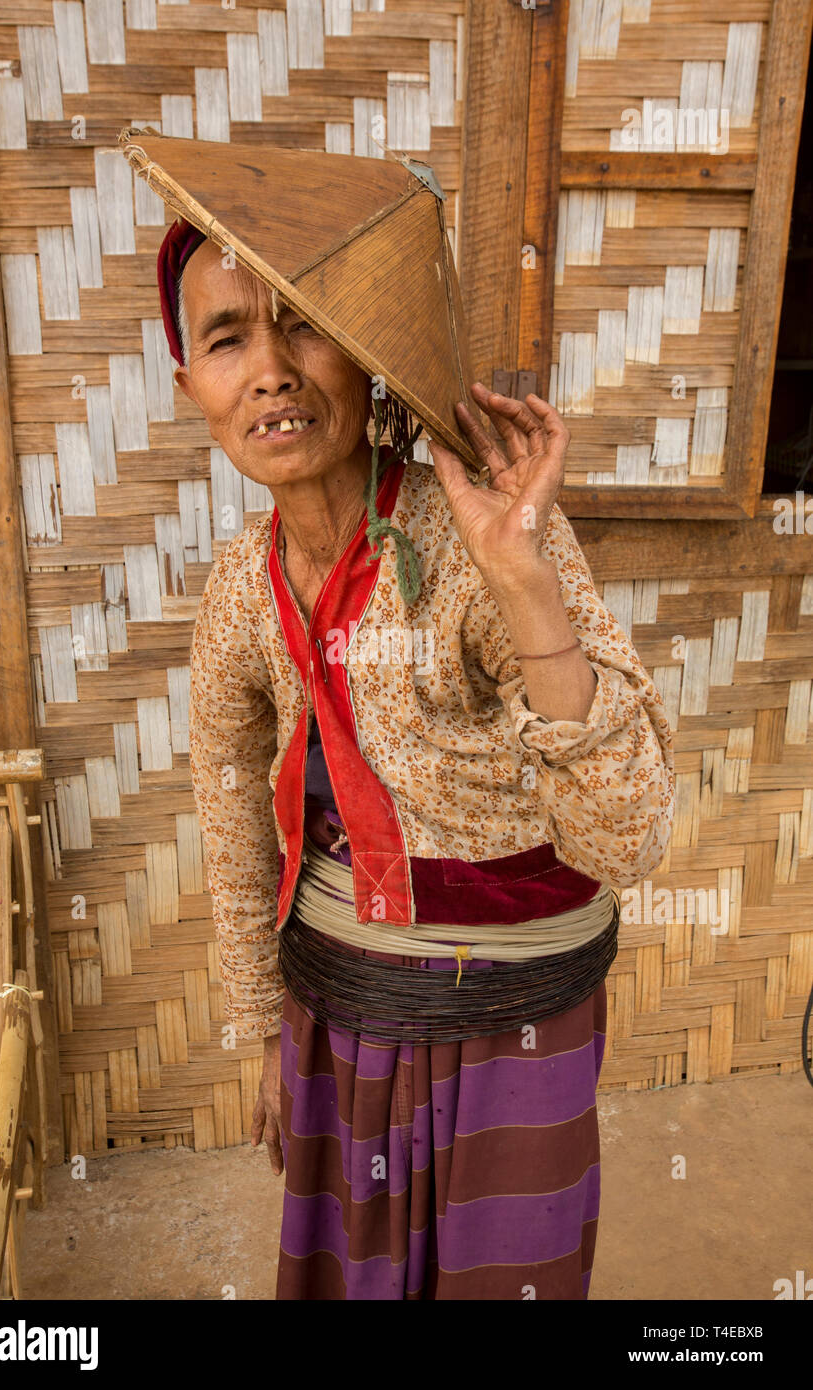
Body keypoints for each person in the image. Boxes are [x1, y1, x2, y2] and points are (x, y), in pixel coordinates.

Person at [138, 135, 675, 1299]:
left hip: (514, 1020)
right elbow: (233, 821)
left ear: (370, 353)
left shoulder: (472, 531)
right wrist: (262, 1035)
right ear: (193, 387)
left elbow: (627, 839)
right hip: (339, 1011)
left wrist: (523, 579)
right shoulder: (241, 590)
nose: (271, 370)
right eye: (228, 338)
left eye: (306, 325)